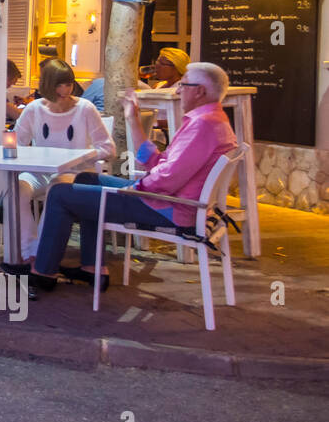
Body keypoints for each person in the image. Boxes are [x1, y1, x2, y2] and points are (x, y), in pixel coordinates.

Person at [29, 61, 237, 292]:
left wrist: (133, 189)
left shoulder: (202, 126)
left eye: (183, 85)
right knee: (85, 180)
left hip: (169, 207)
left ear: (200, 91)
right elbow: (157, 163)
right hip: (170, 199)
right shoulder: (212, 120)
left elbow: (166, 179)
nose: (178, 90)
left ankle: (44, 273)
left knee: (60, 193)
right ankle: (92, 268)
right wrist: (132, 118)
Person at [8, 58, 115, 267]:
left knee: (56, 190)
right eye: (59, 84)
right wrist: (14, 147)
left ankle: (41, 253)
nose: (65, 90)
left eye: (68, 84)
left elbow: (108, 148)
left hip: (74, 171)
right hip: (40, 171)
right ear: (48, 84)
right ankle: (28, 248)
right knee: (16, 189)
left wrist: (80, 156)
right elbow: (16, 142)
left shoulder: (85, 108)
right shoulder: (34, 109)